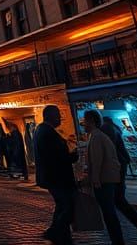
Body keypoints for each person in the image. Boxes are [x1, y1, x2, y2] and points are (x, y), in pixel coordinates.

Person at [101, 117, 137, 244]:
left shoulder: (106, 129)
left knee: (114, 203)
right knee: (120, 202)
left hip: (114, 169)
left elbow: (108, 151)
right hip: (120, 166)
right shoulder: (114, 128)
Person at [34, 105, 77, 245]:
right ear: (51, 116)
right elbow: (57, 156)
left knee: (62, 205)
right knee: (68, 206)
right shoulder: (47, 132)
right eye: (58, 115)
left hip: (53, 177)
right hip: (57, 177)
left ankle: (60, 234)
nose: (60, 118)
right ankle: (56, 231)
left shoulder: (42, 130)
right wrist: (73, 155)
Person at [82, 110, 125, 245]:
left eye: (85, 121)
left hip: (104, 180)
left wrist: (95, 179)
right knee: (108, 211)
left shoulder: (96, 137)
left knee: (108, 212)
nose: (83, 124)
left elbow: (97, 159)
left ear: (92, 121)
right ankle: (117, 239)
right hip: (106, 178)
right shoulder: (96, 136)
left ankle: (117, 240)